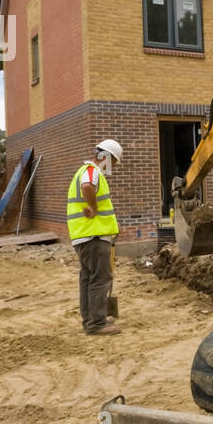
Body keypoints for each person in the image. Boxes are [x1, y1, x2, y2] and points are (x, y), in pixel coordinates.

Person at [67, 139, 123, 335]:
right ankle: (97, 324)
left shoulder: (82, 172)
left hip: (84, 236)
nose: (112, 167)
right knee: (100, 278)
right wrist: (93, 208)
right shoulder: (92, 172)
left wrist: (113, 226)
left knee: (87, 278)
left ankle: (89, 320)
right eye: (113, 162)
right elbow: (87, 187)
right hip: (94, 237)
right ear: (106, 157)